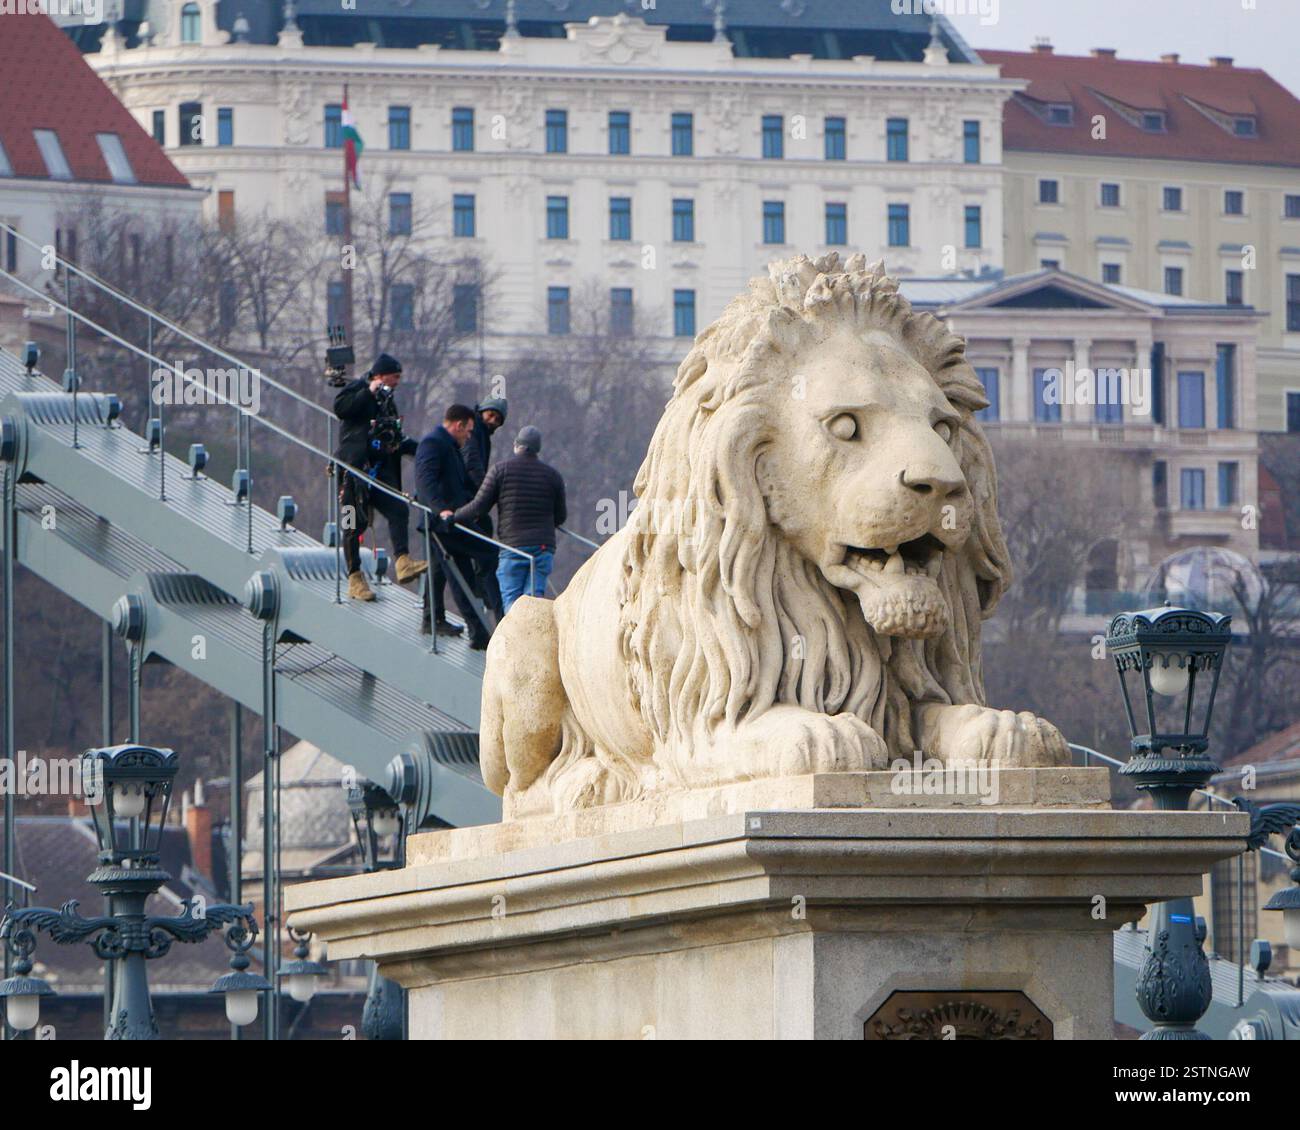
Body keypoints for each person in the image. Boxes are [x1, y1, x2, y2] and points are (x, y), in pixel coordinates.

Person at [333, 353, 427, 602]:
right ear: (381, 374)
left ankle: (403, 561)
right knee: (352, 524)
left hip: (379, 472)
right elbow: (341, 408)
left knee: (398, 509)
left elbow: (394, 435)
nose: (397, 381)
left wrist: (427, 450)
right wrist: (368, 391)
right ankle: (355, 578)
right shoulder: (360, 388)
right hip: (352, 472)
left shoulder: (387, 401)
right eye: (395, 376)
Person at [453, 425, 566, 615]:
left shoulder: (500, 470)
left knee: (512, 602)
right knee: (534, 602)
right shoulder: (553, 476)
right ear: (537, 449)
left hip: (513, 546)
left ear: (517, 445)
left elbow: (479, 506)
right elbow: (560, 516)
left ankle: (514, 642)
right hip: (542, 548)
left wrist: (454, 516)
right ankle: (532, 641)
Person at [414, 404, 490, 648]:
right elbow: (425, 480)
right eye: (467, 431)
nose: (468, 437)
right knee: (485, 555)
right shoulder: (433, 443)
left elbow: (463, 484)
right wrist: (441, 509)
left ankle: (434, 619)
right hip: (443, 523)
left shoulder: (449, 446)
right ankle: (482, 623)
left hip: (450, 521)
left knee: (446, 573)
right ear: (458, 426)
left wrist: (476, 506)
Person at [463, 396, 508, 621]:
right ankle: (485, 592)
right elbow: (472, 464)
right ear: (482, 411)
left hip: (471, 496)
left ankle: (482, 588)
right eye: (491, 415)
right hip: (467, 497)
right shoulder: (474, 431)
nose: (493, 421)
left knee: (484, 546)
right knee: (486, 551)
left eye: (498, 419)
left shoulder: (481, 433)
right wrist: (485, 491)